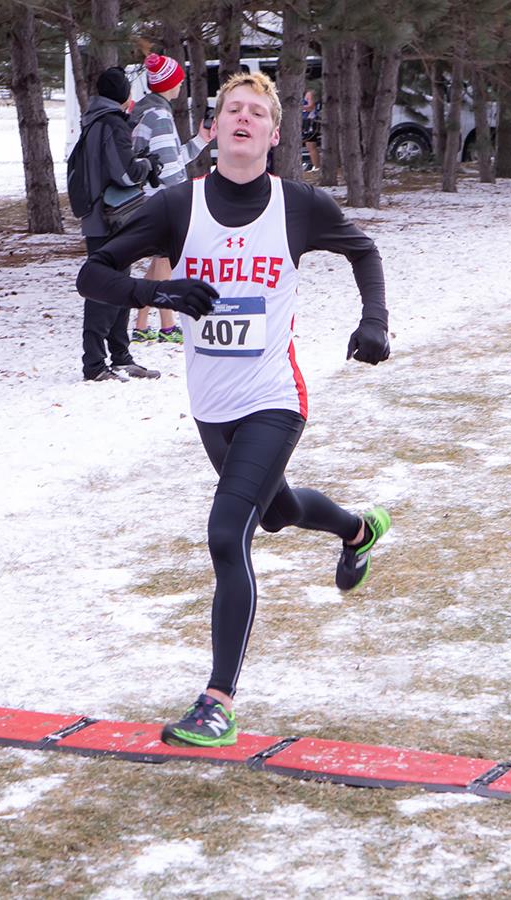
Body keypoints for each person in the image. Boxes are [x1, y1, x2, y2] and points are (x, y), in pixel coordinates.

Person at [76, 71, 392, 747]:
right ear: (213, 129)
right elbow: (92, 274)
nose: (244, 119)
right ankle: (358, 530)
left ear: (275, 136)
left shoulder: (298, 205)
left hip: (275, 399)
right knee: (274, 512)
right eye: (232, 111)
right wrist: (156, 296)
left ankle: (216, 700)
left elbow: (363, 250)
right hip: (210, 407)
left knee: (229, 534)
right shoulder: (175, 206)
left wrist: (375, 323)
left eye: (258, 113)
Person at [73, 66, 159, 382]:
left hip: (102, 217)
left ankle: (120, 356)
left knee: (119, 285)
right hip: (110, 218)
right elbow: (124, 174)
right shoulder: (111, 123)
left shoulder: (95, 120)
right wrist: (147, 164)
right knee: (105, 287)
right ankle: (95, 363)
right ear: (123, 94)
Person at [129, 53, 212, 345]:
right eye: (178, 80)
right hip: (159, 199)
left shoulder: (147, 110)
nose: (181, 86)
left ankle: (141, 325)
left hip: (148, 196)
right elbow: (170, 170)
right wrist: (183, 198)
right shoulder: (160, 115)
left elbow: (169, 158)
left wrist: (201, 140)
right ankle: (167, 326)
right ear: (171, 82)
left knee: (160, 260)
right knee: (166, 257)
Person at [301, 89, 321, 171]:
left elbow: (311, 107)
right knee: (309, 145)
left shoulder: (310, 94)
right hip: (307, 121)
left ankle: (317, 167)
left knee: (311, 144)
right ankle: (315, 166)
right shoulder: (307, 94)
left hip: (311, 121)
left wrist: (298, 107)